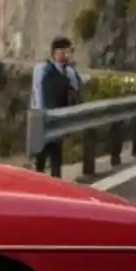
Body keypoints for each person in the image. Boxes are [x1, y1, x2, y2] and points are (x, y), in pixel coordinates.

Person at [31, 37, 82, 174]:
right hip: (43, 116)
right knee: (41, 154)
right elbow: (37, 93)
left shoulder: (69, 71)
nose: (67, 54)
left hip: (59, 117)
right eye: (65, 51)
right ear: (56, 52)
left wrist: (72, 71)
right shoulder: (42, 68)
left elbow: (76, 88)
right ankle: (38, 179)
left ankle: (55, 180)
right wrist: (40, 115)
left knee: (56, 153)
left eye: (69, 51)